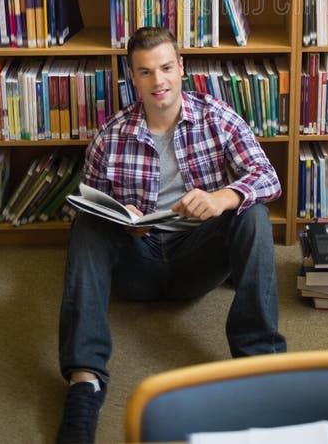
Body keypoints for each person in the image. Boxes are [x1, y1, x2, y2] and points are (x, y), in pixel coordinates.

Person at [56, 25, 287, 443]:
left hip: (196, 262)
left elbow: (268, 178)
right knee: (87, 226)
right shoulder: (110, 136)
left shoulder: (218, 117)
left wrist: (223, 197)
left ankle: (260, 367)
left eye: (165, 68)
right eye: (145, 72)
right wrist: (119, 217)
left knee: (252, 215)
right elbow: (87, 199)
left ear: (182, 68)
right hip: (137, 262)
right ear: (132, 78)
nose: (158, 81)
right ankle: (84, 382)